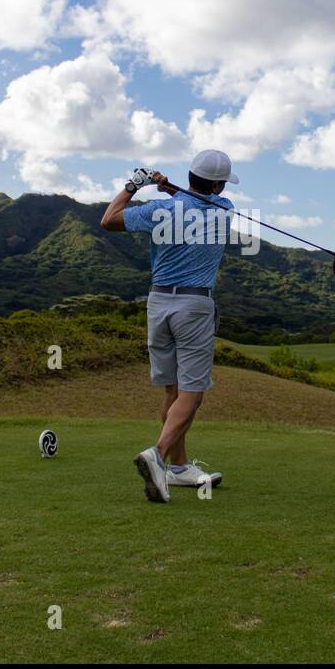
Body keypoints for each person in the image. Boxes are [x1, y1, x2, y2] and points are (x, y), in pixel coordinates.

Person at [100, 149, 238, 503]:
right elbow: (198, 203)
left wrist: (136, 185)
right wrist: (169, 188)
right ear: (219, 185)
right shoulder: (225, 210)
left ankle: (179, 468)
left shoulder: (158, 211)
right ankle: (158, 456)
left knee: (172, 391)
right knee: (193, 393)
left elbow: (109, 219)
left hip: (158, 303)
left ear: (190, 175)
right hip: (194, 306)